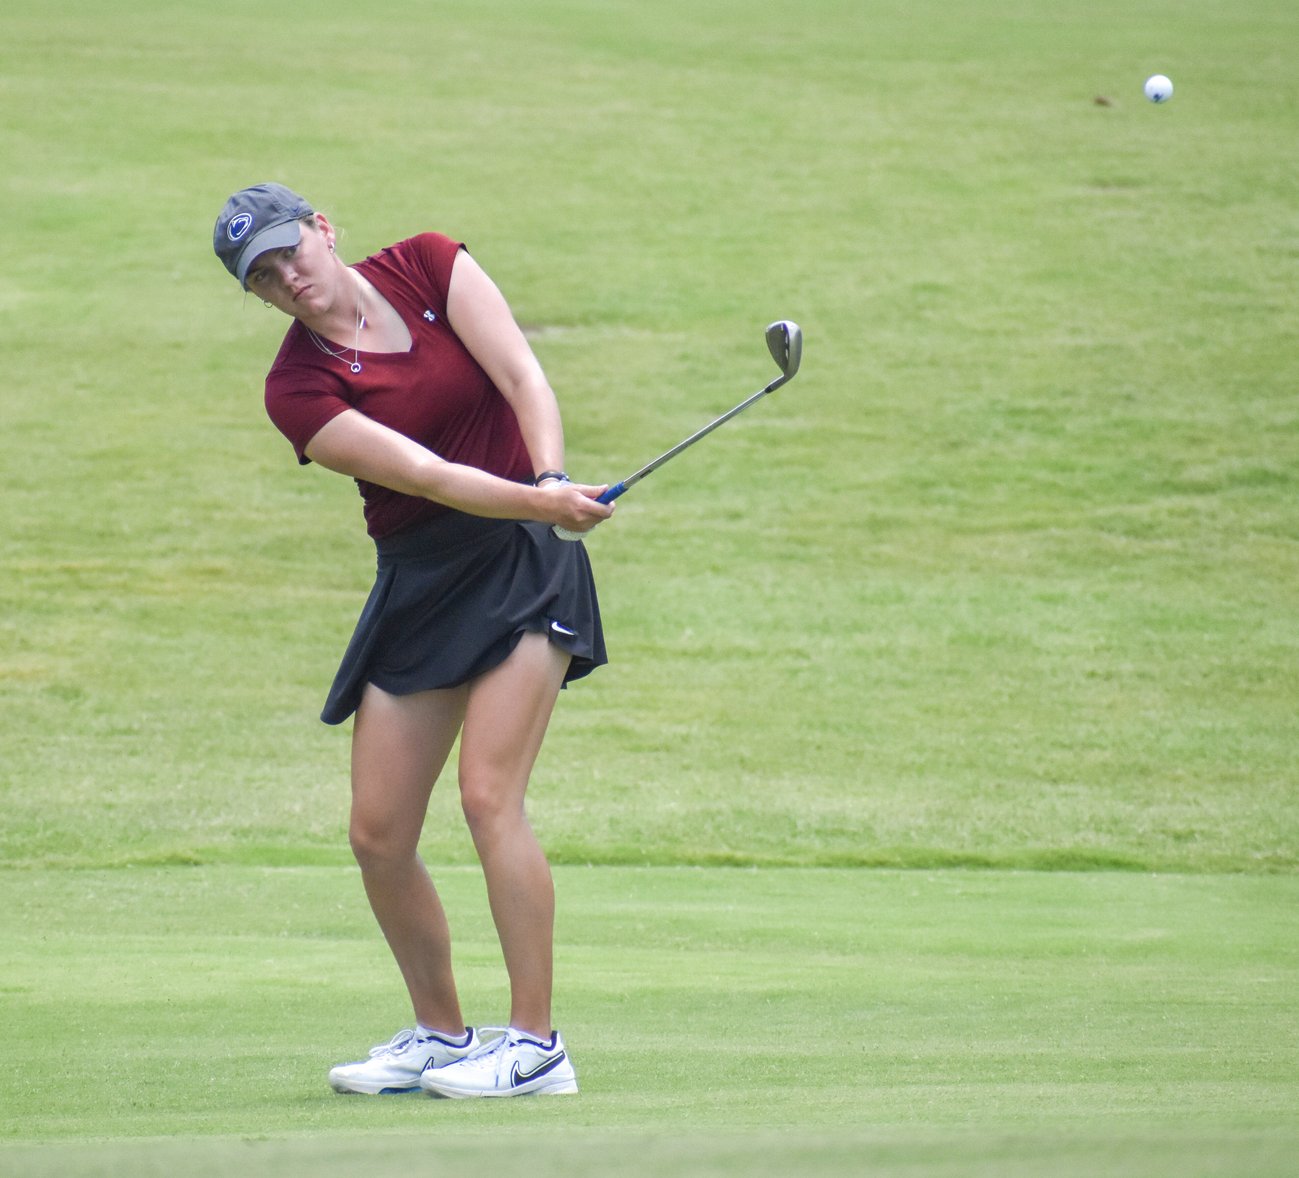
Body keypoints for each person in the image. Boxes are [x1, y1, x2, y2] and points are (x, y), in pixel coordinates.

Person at [212, 182, 613, 1099]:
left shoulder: (430, 262)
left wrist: (549, 482)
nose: (288, 280)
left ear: (323, 228)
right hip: (422, 580)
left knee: (487, 797)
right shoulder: (296, 387)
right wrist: (542, 498)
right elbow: (427, 476)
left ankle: (536, 1045)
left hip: (521, 562)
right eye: (265, 279)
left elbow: (521, 377)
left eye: (291, 253)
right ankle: (440, 1034)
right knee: (378, 833)